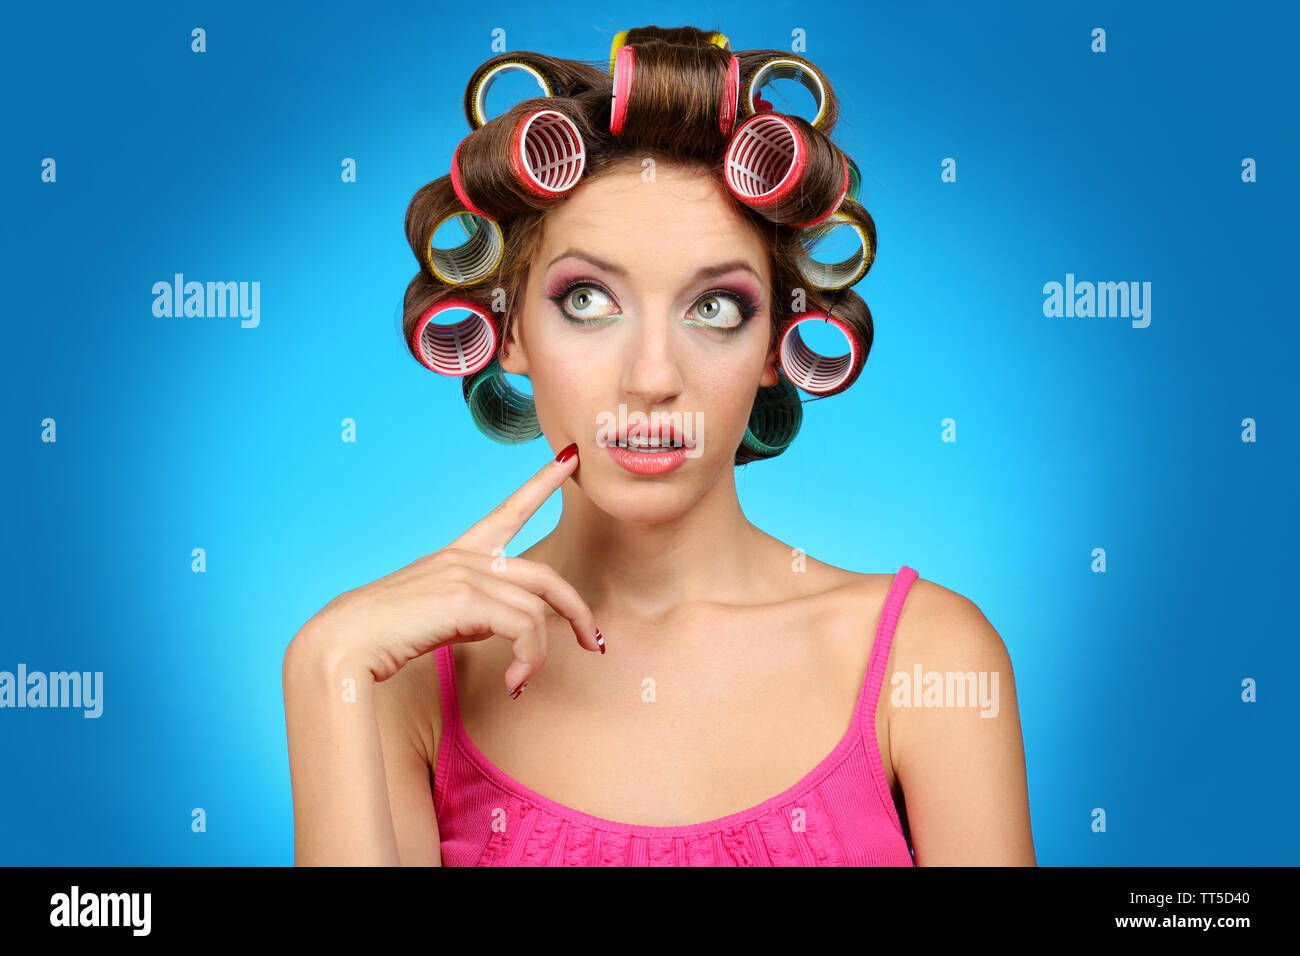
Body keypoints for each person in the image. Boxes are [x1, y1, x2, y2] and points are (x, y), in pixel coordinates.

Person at [283, 25, 1035, 866]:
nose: (651, 377)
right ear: (509, 332)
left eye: (715, 308)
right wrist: (325, 665)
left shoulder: (929, 659)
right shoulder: (409, 679)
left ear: (778, 345)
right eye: (588, 300)